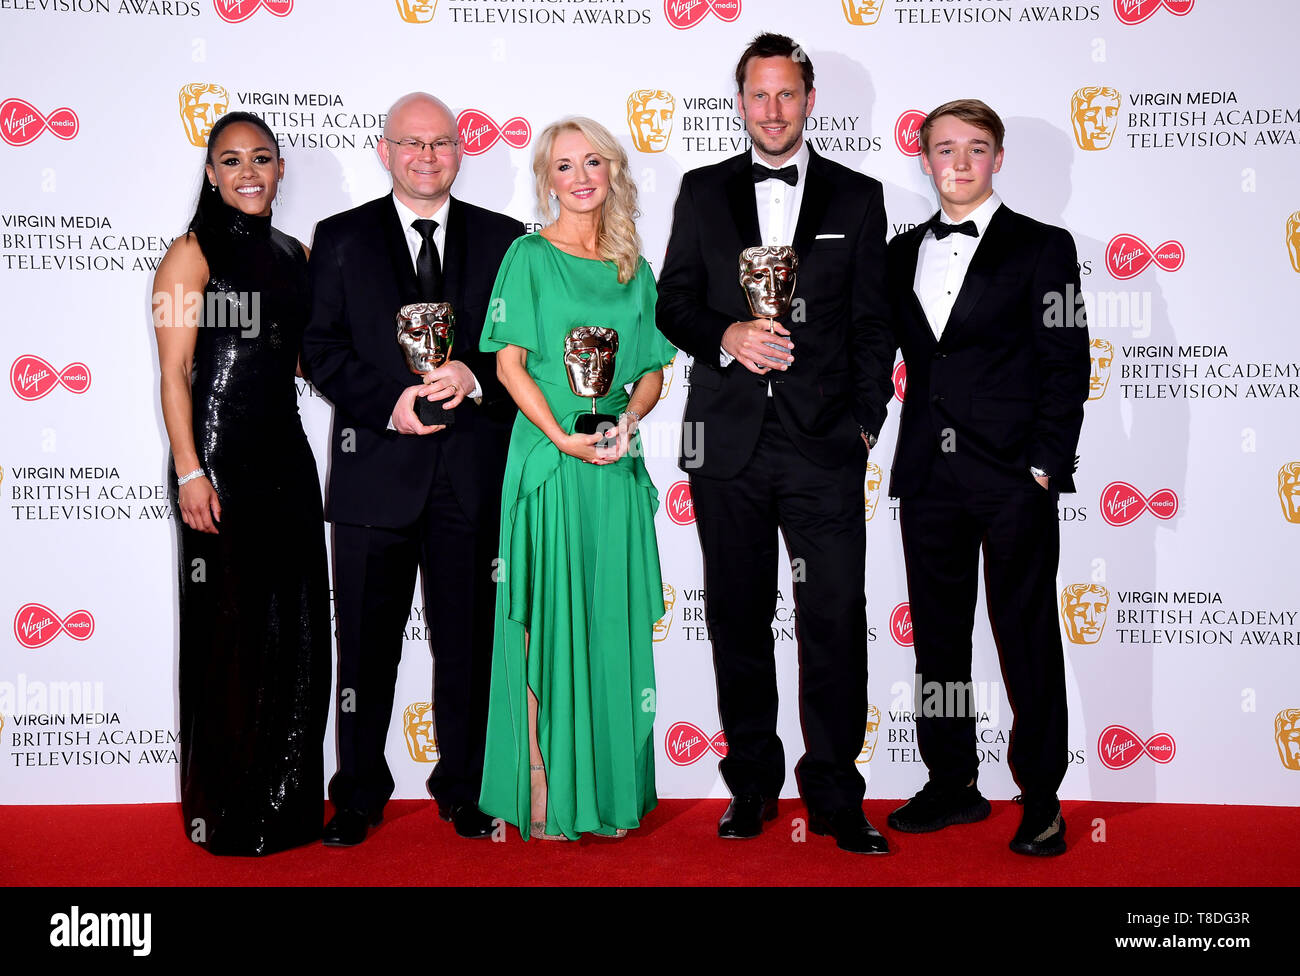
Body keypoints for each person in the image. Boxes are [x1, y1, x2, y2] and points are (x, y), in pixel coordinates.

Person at [656, 33, 896, 855]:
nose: (772, 110)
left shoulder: (858, 198)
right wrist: (725, 333)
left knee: (834, 618)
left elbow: (875, 327)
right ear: (740, 102)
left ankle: (835, 793)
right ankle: (752, 784)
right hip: (727, 445)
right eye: (758, 96)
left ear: (809, 99)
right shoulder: (701, 190)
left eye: (787, 94)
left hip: (824, 446)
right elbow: (672, 303)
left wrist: (864, 424)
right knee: (736, 619)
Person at [301, 92, 524, 845]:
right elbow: (322, 350)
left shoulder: (505, 240)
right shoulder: (338, 238)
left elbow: (517, 349)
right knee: (364, 647)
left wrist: (478, 376)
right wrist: (388, 403)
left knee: (468, 644)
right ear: (384, 150)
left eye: (441, 143)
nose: (427, 157)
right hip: (374, 476)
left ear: (462, 151)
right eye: (411, 143)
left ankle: (464, 788)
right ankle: (359, 793)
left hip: (471, 478)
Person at [877, 99, 1090, 856]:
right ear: (925, 160)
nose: (959, 163)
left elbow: (1068, 363)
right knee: (939, 641)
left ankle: (1042, 798)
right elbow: (878, 357)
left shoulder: (1044, 247)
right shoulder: (899, 254)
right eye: (943, 149)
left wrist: (1044, 465)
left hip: (1011, 478)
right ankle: (952, 782)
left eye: (974, 148)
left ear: (998, 158)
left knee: (1026, 635)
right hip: (928, 479)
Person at [477, 117, 675, 841]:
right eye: (564, 166)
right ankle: (541, 779)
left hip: (614, 465)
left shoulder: (635, 269)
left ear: (613, 170)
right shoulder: (528, 256)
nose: (580, 176)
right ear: (547, 180)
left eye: (593, 161)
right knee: (542, 620)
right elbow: (508, 364)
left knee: (608, 621)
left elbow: (653, 369)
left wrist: (627, 423)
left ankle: (608, 787)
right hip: (550, 464)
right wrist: (562, 437)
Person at [153, 110, 329, 855]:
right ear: (210, 173)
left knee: (294, 633)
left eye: (262, 158)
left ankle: (286, 809)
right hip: (217, 462)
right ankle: (222, 811)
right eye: (231, 160)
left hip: (286, 460)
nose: (248, 173)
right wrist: (191, 469)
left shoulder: (298, 254)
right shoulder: (189, 255)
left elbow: (301, 362)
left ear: (281, 170)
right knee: (228, 636)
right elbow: (173, 374)